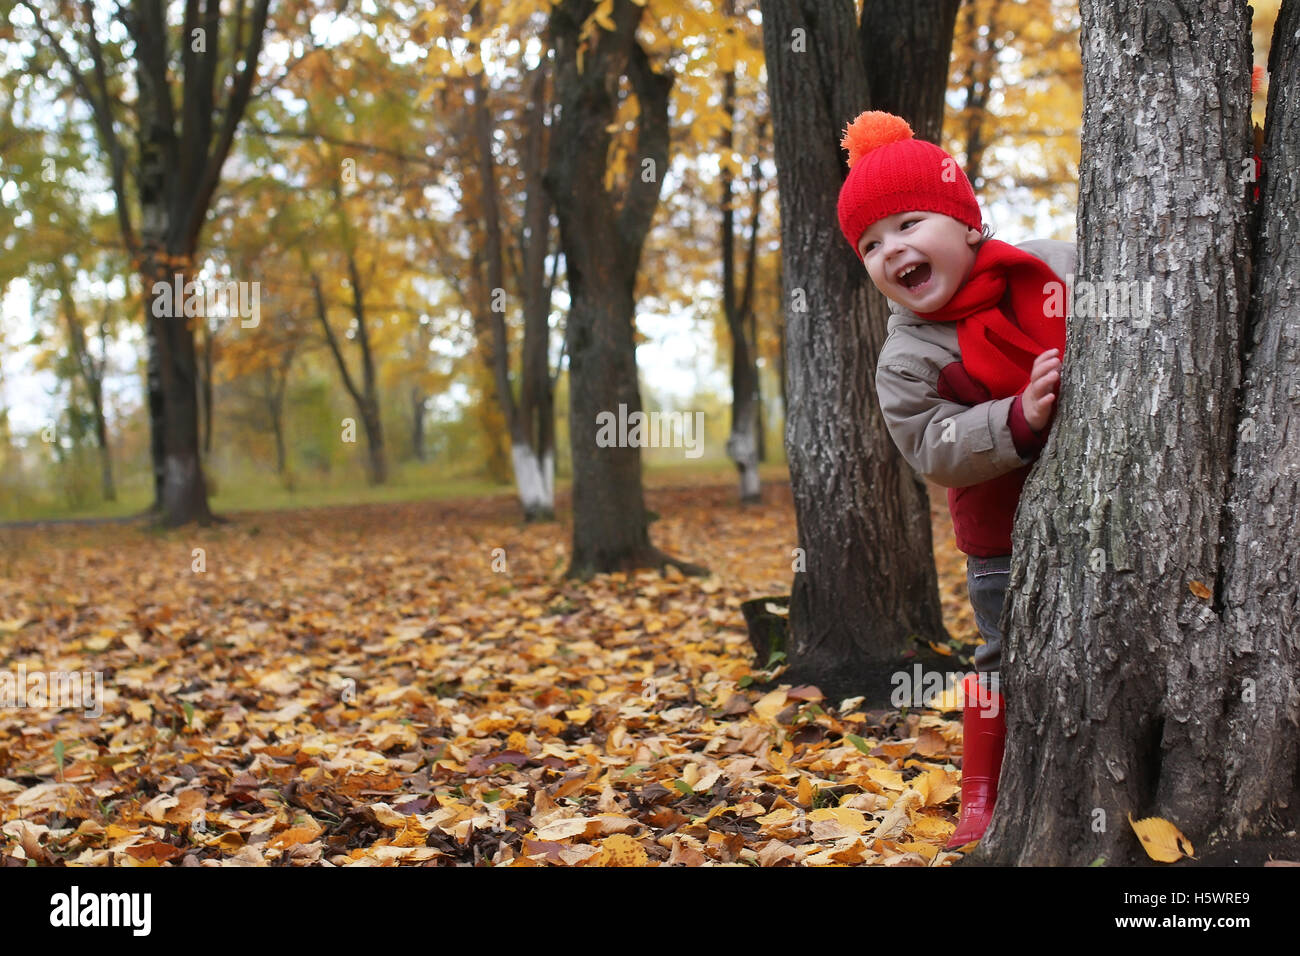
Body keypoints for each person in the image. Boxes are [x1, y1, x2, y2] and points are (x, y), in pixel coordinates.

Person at [836, 110, 1075, 849]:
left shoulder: (1051, 267)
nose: (891, 250)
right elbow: (931, 446)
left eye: (908, 224)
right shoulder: (906, 355)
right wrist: (1016, 417)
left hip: (1104, 516)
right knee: (1006, 654)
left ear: (967, 223)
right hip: (1001, 542)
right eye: (871, 245)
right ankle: (982, 793)